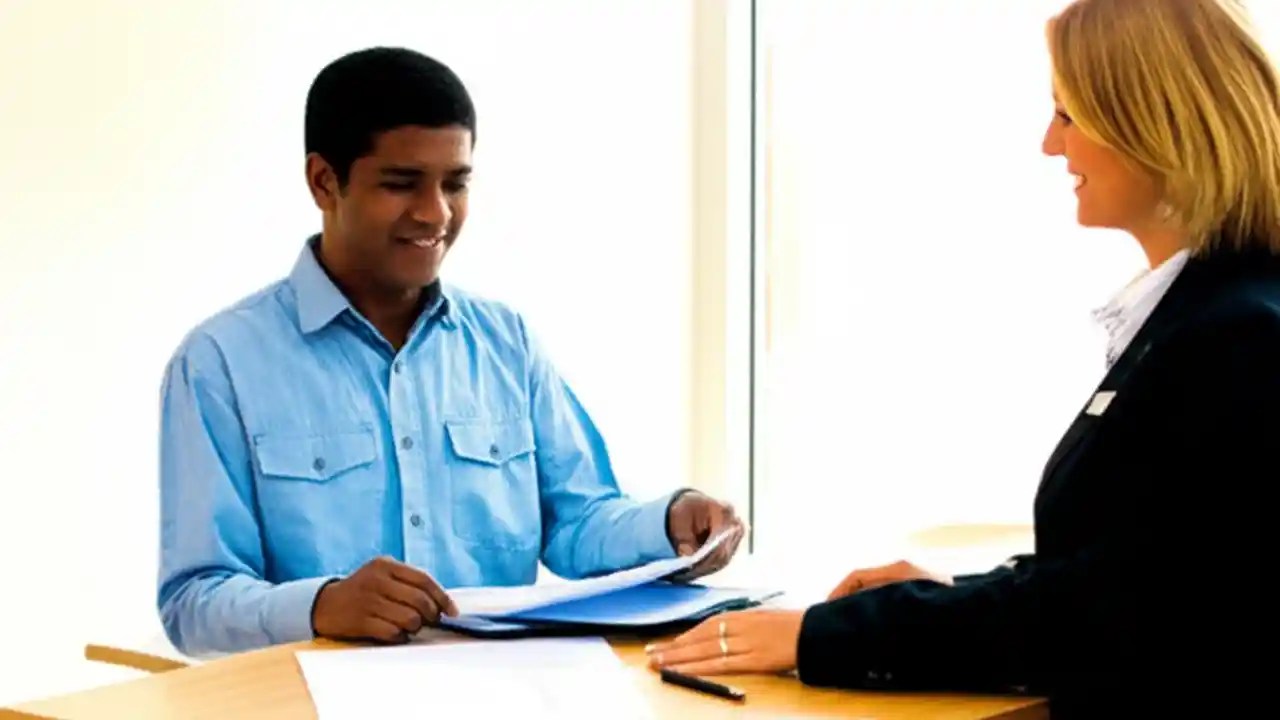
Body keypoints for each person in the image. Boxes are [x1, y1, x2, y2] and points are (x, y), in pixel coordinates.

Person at [646, 0, 1280, 715]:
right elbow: (1125, 568)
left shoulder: (1238, 339)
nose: (1050, 144)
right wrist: (949, 594)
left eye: (1067, 116)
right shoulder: (1210, 314)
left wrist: (823, 636)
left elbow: (1109, 618)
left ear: (1151, 122)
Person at [156, 46, 744, 657]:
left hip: (506, 694)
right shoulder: (220, 363)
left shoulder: (506, 343)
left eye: (455, 183)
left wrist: (670, 523)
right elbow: (194, 602)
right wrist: (322, 605)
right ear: (324, 181)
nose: (436, 213)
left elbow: (577, 521)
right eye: (401, 183)